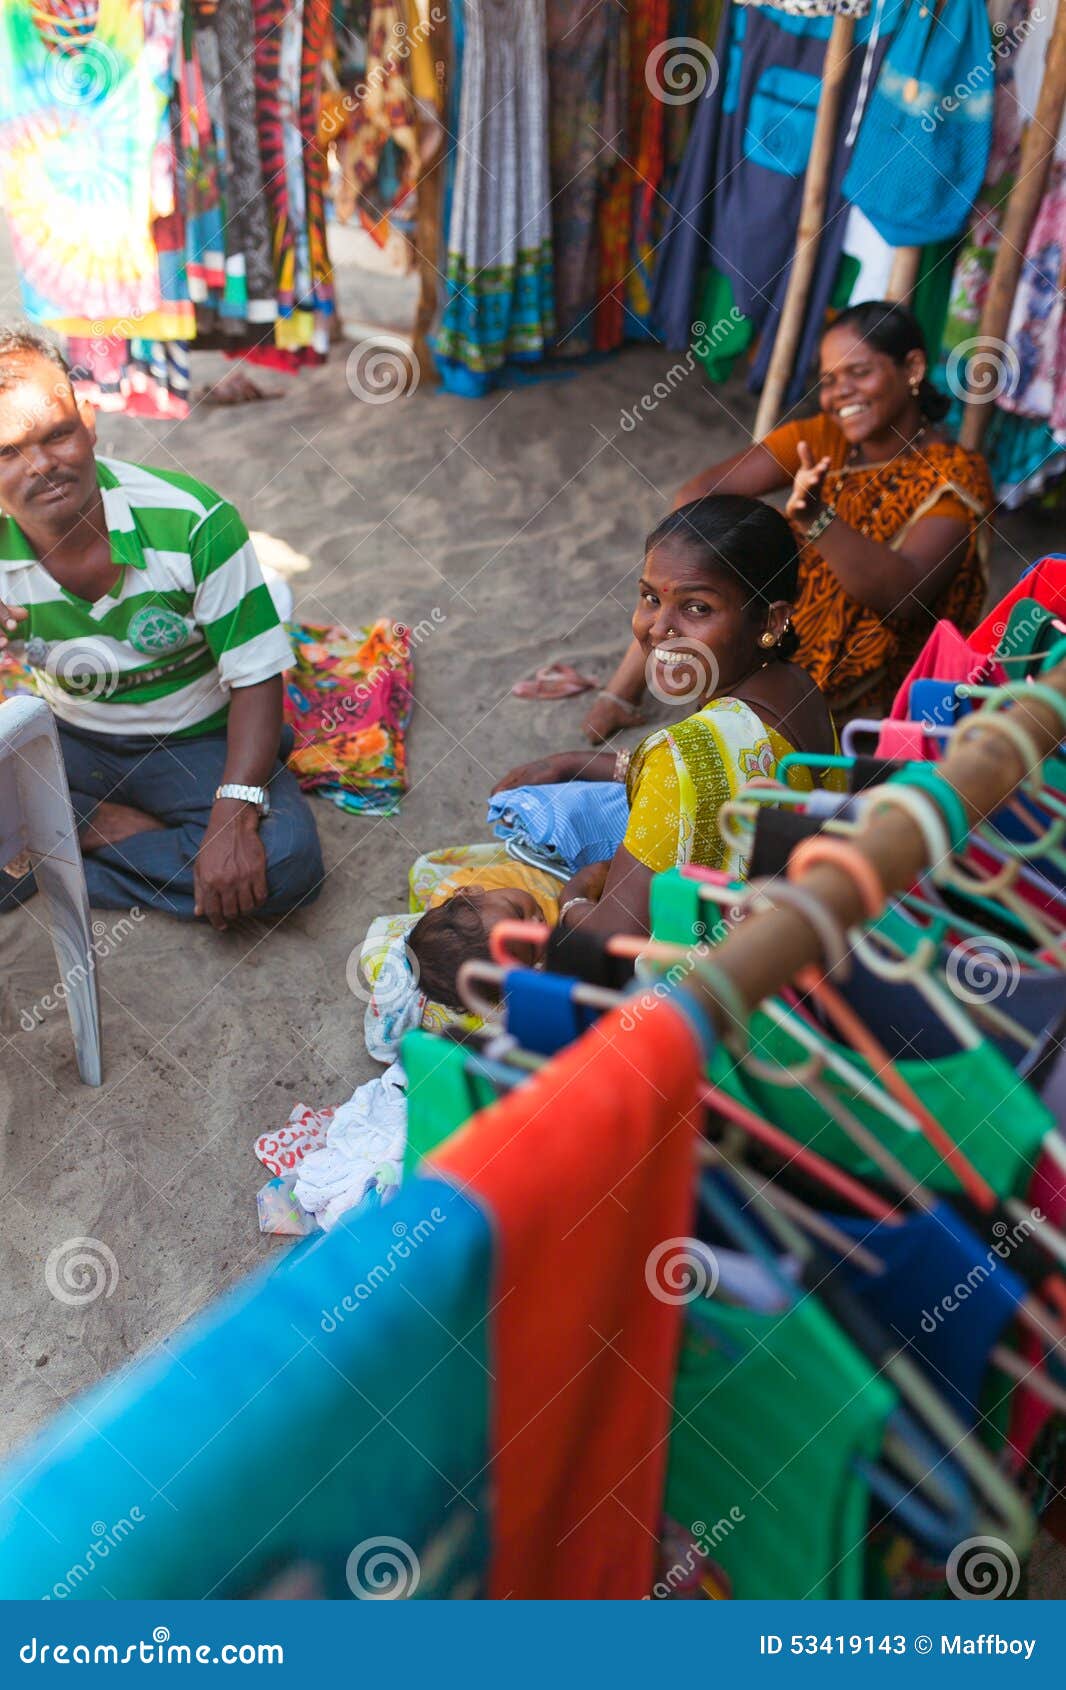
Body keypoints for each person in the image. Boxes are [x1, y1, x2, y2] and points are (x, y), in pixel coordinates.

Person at [0, 326, 322, 929]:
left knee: (286, 863)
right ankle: (89, 830)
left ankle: (62, 844)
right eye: (6, 452)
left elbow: (257, 678)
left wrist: (234, 809)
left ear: (89, 418)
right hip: (67, 736)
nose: (41, 466)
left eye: (57, 433)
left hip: (196, 737)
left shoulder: (195, 521)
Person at [585, 301, 993, 739]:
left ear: (912, 367)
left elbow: (904, 594)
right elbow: (696, 497)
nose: (841, 394)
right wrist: (760, 539)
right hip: (786, 634)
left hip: (884, 671)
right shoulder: (820, 438)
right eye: (830, 380)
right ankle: (626, 687)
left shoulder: (954, 474)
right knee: (695, 556)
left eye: (859, 373)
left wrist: (816, 519)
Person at [494, 495, 841, 938]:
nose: (658, 628)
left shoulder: (680, 758)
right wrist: (574, 762)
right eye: (650, 597)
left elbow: (608, 947)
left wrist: (577, 896)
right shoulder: (796, 687)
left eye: (697, 608)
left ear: (770, 620)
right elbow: (714, 768)